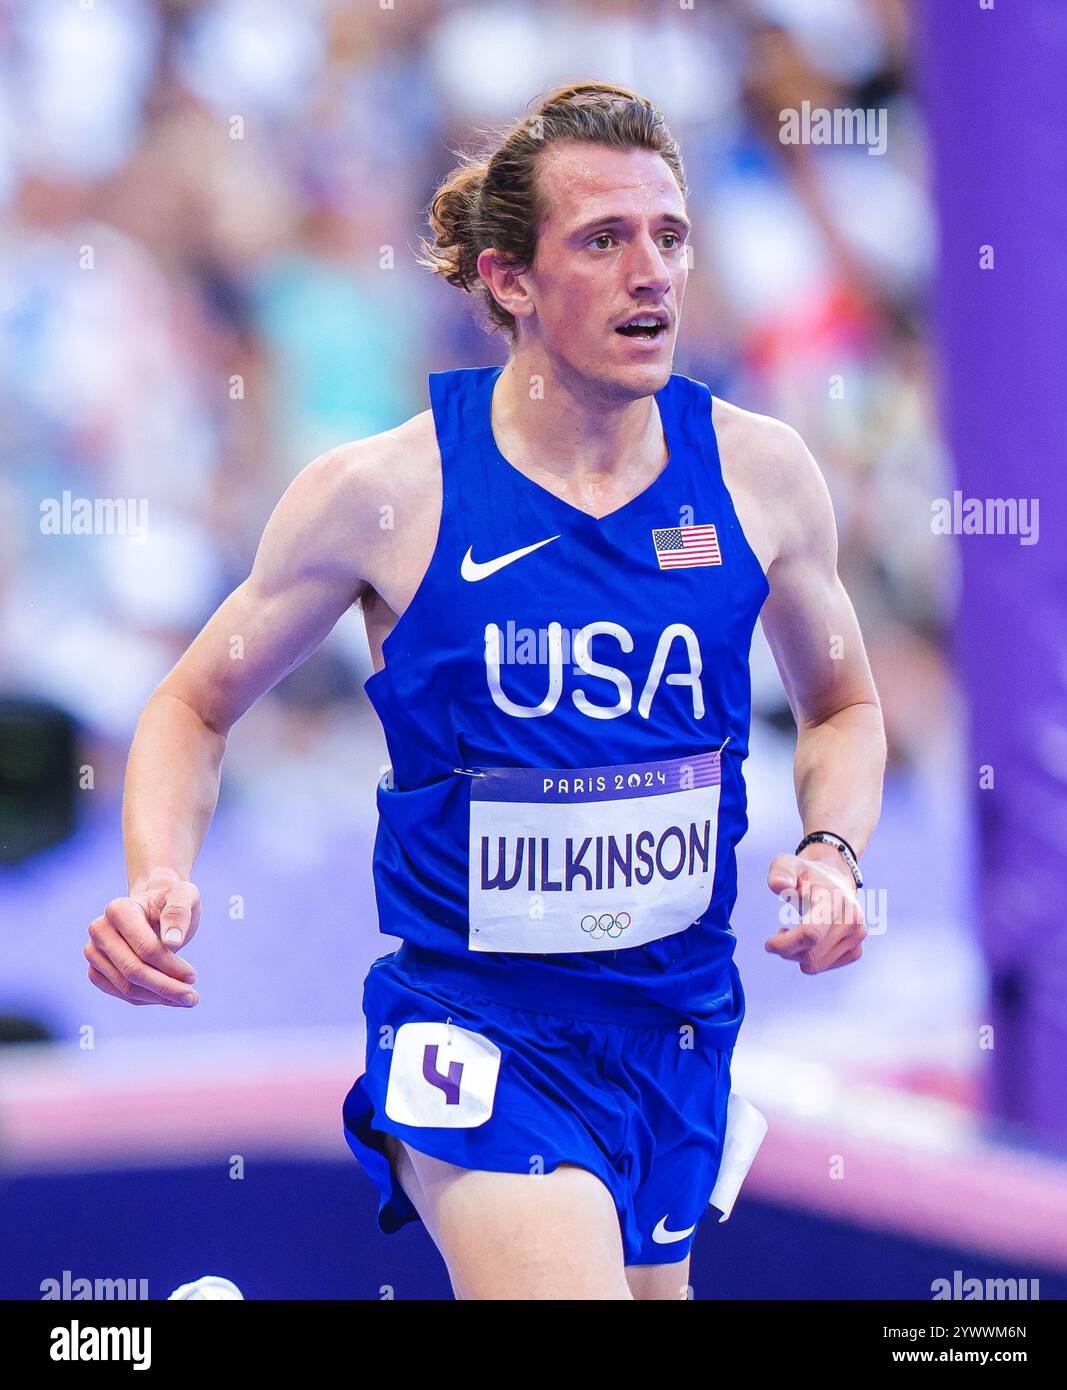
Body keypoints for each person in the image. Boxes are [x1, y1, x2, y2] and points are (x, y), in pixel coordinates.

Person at [84, 82, 885, 1300]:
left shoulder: (762, 476)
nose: (652, 274)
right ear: (509, 279)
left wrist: (833, 847)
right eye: (603, 241)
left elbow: (843, 708)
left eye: (669, 236)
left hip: (675, 1025)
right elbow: (192, 705)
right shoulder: (385, 494)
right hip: (474, 1021)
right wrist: (158, 871)